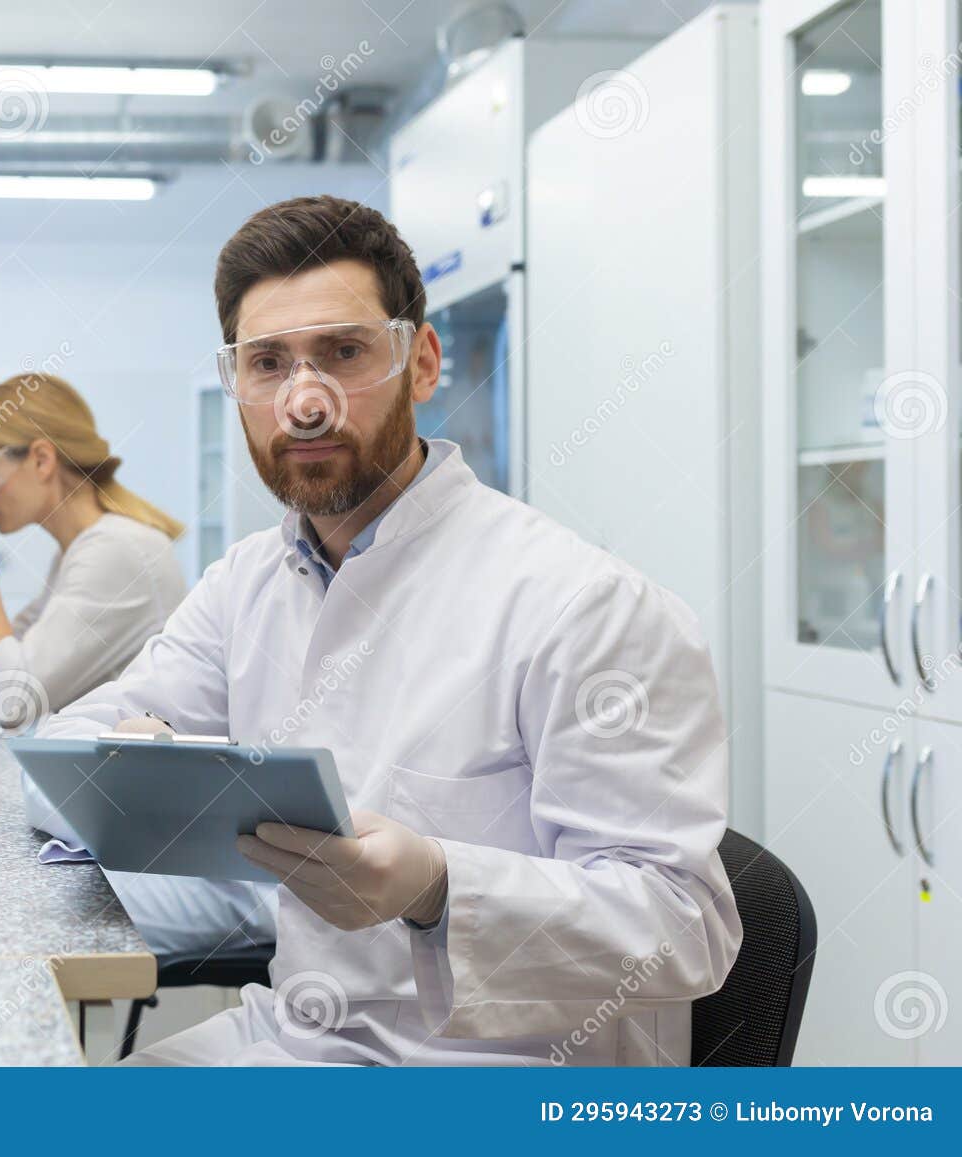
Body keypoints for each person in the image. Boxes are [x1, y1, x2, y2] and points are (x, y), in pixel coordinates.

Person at [36, 195, 743, 1066]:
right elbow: (65, 747)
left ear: (422, 362)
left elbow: (687, 925)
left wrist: (439, 883)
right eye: (268, 364)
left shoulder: (582, 604)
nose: (305, 402)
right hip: (298, 1032)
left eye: (343, 352)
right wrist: (125, 752)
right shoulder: (249, 581)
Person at [0, 374, 277, 959]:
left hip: (154, 831)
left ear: (40, 458)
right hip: (117, 806)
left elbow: (10, 700)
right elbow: (7, 661)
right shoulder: (81, 550)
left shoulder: (116, 550)